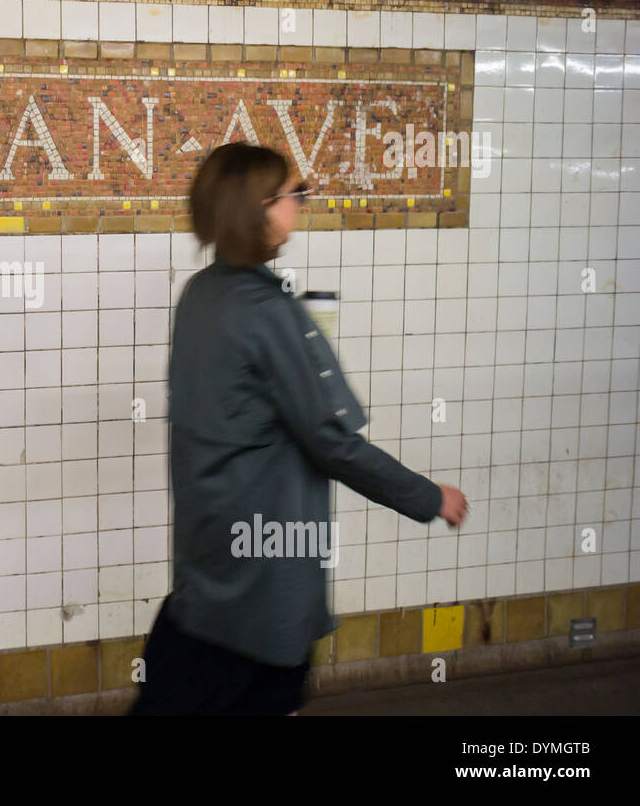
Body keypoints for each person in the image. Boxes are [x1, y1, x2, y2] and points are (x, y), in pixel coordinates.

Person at [127, 142, 469, 716]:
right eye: (296, 193)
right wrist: (429, 496)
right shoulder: (269, 312)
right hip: (263, 580)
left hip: (208, 556)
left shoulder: (202, 294)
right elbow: (332, 443)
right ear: (261, 207)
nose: (302, 203)